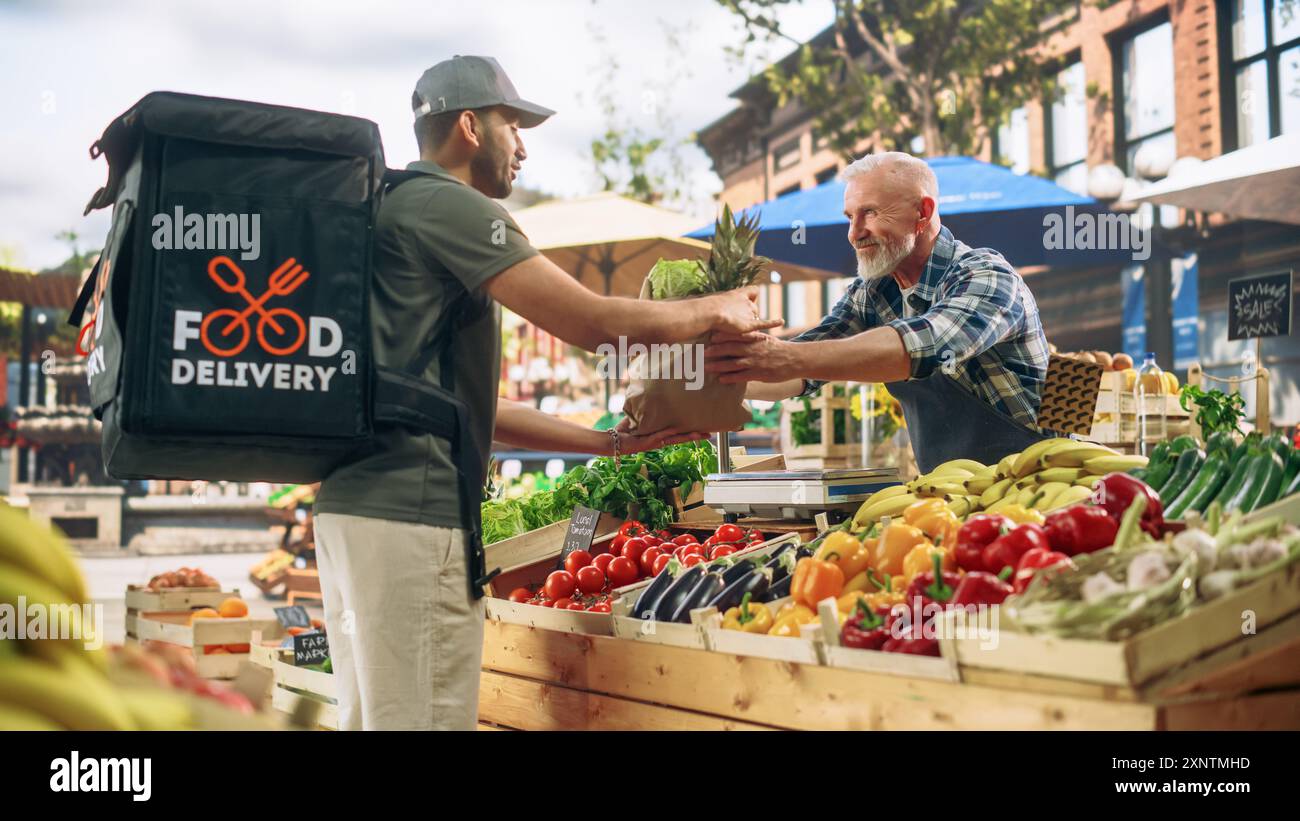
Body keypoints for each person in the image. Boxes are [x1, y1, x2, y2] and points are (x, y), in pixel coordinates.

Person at [312, 55, 779, 730]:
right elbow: (590, 322)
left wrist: (611, 442)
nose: (523, 146)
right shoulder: (451, 205)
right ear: (470, 126)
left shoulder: (388, 207)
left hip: (357, 509)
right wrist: (718, 310)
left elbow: (477, 409)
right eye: (513, 125)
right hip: (411, 515)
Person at [704, 151, 1051, 472]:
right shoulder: (873, 291)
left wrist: (784, 356)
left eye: (870, 213)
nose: (854, 234)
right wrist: (702, 378)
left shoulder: (987, 275)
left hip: (1037, 485)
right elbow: (802, 369)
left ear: (923, 213)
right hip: (956, 495)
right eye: (850, 217)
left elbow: (924, 346)